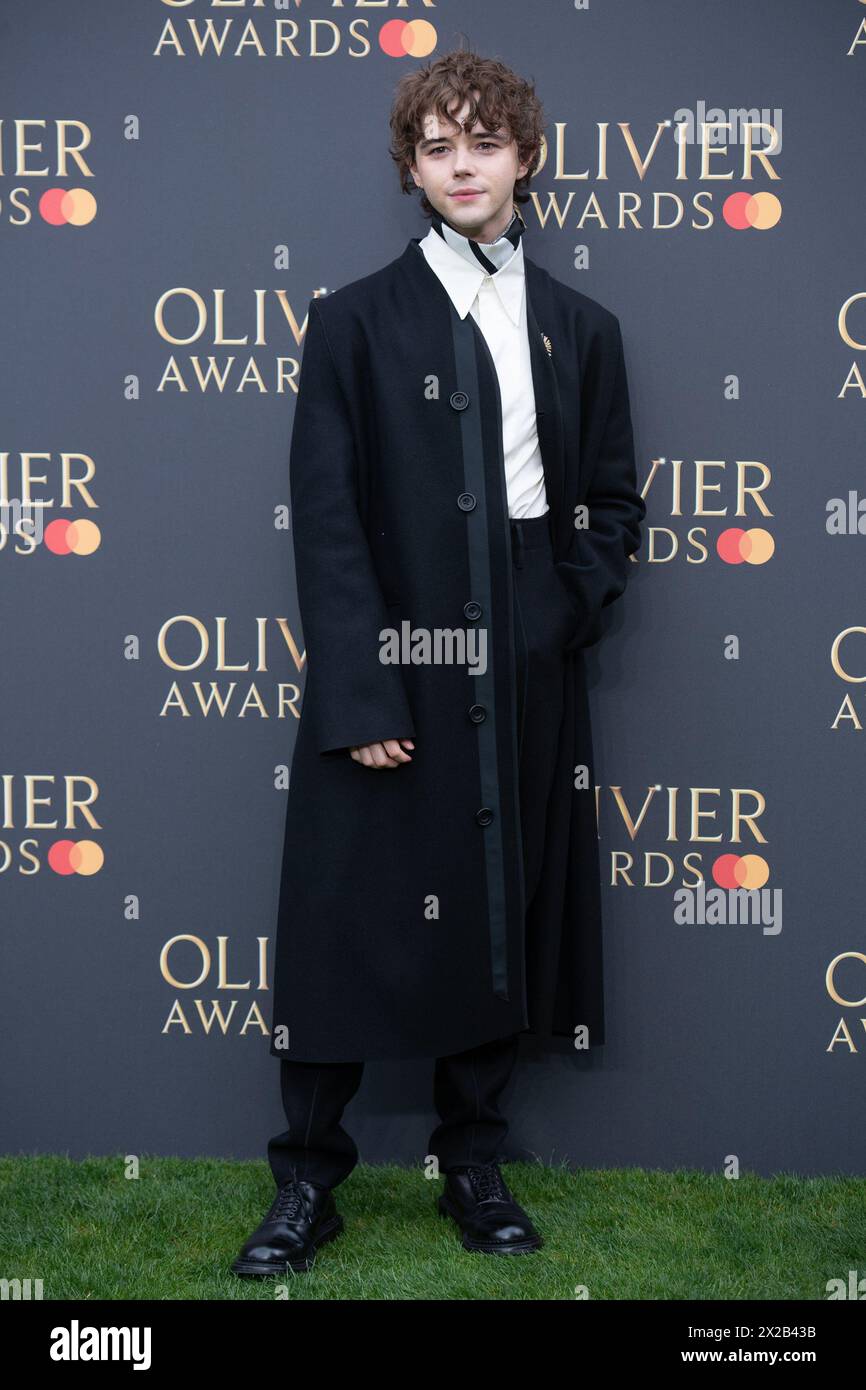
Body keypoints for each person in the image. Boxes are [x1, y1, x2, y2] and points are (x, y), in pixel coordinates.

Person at [232, 47, 646, 1277]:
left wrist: (551, 616)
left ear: (523, 156)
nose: (461, 164)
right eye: (436, 146)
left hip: (520, 656)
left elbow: (610, 505)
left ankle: (474, 1167)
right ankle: (307, 1181)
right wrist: (361, 685)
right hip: (392, 648)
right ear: (411, 169)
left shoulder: (583, 329)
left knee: (496, 910)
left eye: (482, 142)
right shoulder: (354, 321)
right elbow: (329, 517)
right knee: (343, 916)